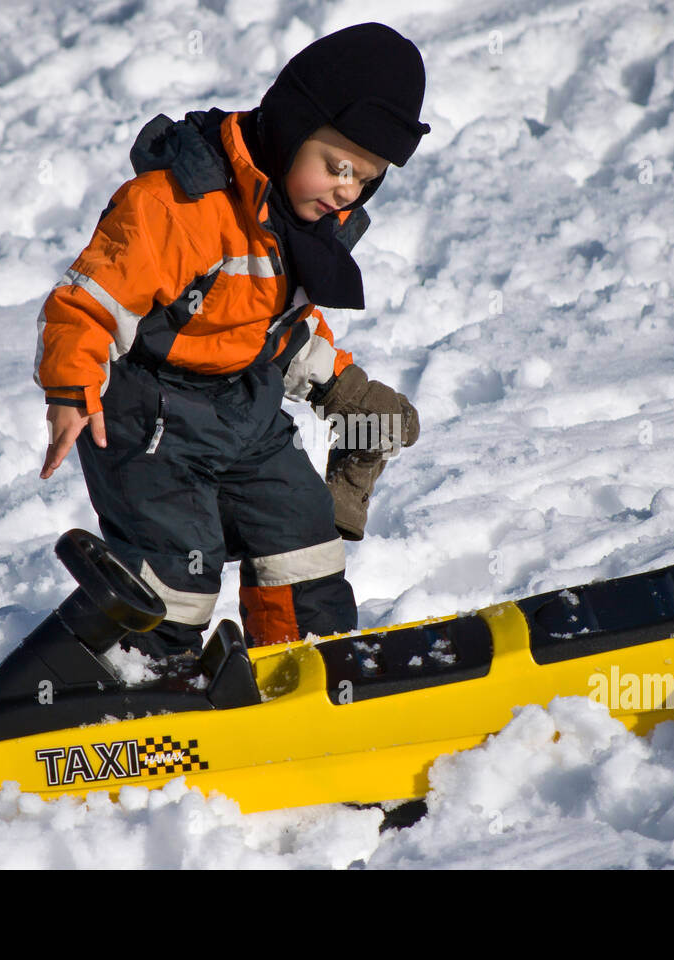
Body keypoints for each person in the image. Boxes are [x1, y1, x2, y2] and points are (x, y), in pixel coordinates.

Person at [33, 22, 429, 656]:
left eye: (367, 178)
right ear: (295, 126)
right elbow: (87, 302)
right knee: (176, 569)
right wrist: (72, 386)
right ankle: (141, 682)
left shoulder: (299, 221)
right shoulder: (175, 206)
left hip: (246, 409)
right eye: (338, 167)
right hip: (149, 420)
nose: (349, 190)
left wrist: (343, 388)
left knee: (301, 528)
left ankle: (304, 664)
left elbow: (275, 324)